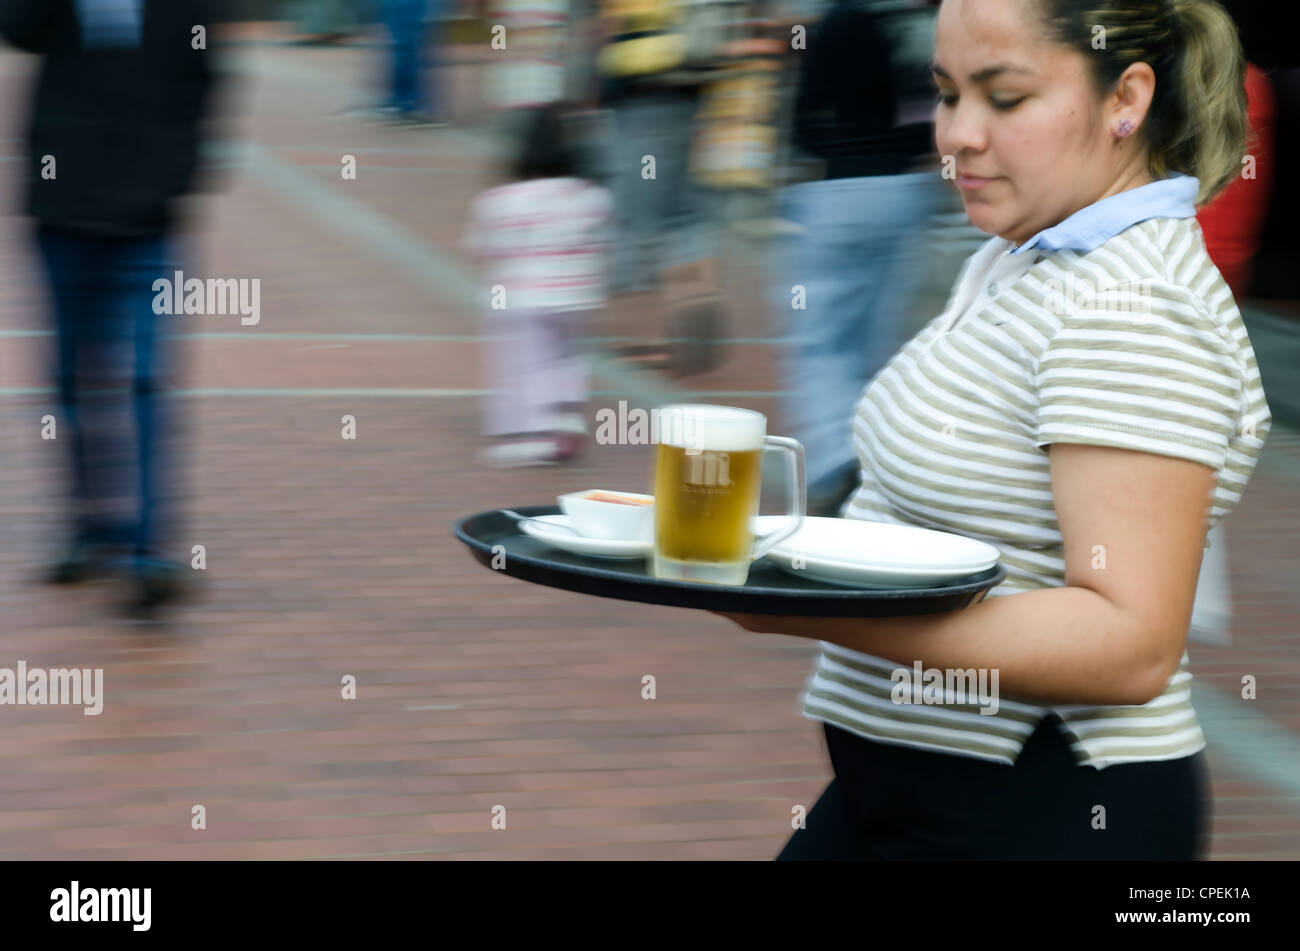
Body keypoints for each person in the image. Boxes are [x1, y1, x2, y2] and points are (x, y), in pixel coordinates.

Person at [713, 0, 1271, 860]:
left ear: (1127, 97)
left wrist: (802, 600)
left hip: (1042, 807)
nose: (957, 135)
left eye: (1004, 98)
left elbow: (1130, 644)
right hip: (911, 792)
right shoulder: (1030, 253)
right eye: (945, 93)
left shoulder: (1134, 303)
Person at [0, 0, 224, 616]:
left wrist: (177, 176)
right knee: (71, 380)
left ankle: (151, 553)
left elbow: (208, 74)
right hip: (62, 208)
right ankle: (91, 529)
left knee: (147, 380)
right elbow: (19, 28)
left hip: (149, 221)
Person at [770, 0, 938, 515]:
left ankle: (834, 460)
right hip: (904, 188)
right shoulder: (913, 22)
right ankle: (875, 457)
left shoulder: (837, 22)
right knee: (874, 337)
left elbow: (804, 117)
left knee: (820, 339)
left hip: (837, 187)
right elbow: (927, 107)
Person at [463, 103, 613, 467]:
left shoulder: (498, 201)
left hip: (520, 296)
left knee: (525, 361)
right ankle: (564, 418)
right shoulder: (593, 196)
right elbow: (603, 243)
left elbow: (477, 248)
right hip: (576, 293)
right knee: (567, 354)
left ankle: (529, 434)